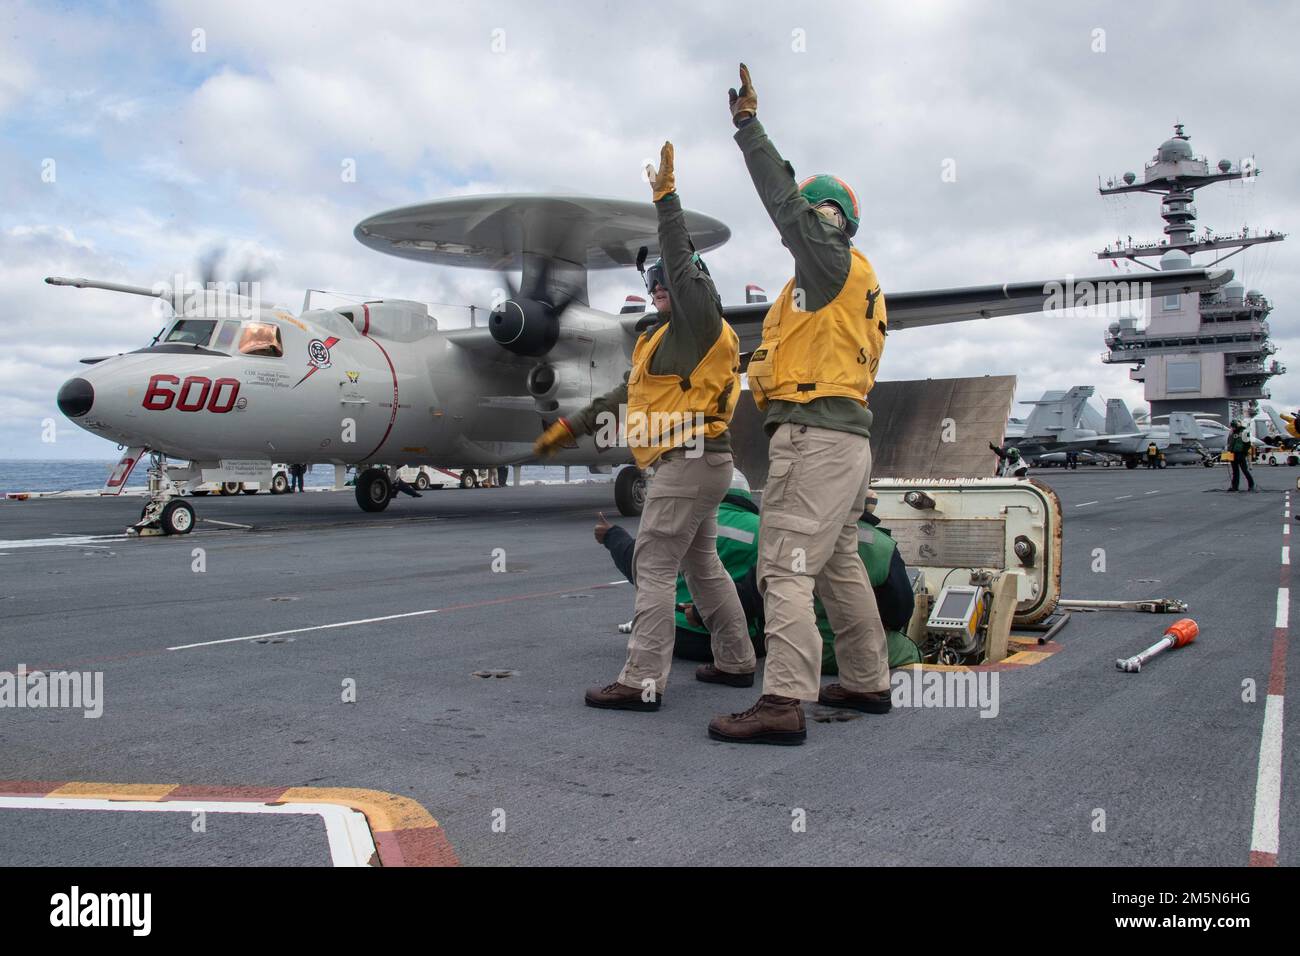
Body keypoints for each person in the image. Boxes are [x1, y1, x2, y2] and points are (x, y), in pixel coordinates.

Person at [534, 141, 754, 711]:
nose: (660, 285)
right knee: (702, 565)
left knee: (653, 565)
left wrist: (667, 200)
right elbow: (620, 393)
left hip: (685, 461)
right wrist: (570, 427)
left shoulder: (701, 324)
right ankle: (736, 660)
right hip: (699, 464)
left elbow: (683, 268)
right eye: (654, 282)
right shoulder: (660, 339)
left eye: (668, 280)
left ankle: (642, 681)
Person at [707, 64, 891, 746]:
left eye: (817, 214)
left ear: (830, 220)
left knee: (783, 564)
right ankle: (868, 678)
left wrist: (749, 128)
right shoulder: (829, 291)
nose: (809, 222)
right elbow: (785, 359)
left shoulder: (830, 261)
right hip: (846, 443)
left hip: (814, 442)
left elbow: (785, 206)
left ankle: (783, 700)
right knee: (838, 562)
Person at [597, 489, 920, 671]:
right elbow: (899, 612)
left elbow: (754, 594)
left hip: (796, 651)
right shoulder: (881, 545)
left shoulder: (791, 537)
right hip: (851, 654)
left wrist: (613, 537)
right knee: (907, 648)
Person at [1226, 421, 1256, 492]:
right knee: (1235, 471)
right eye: (1231, 427)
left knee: (1244, 470)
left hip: (1241, 453)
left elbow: (1247, 444)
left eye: (1233, 427)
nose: (1232, 428)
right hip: (1233, 453)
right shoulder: (1232, 433)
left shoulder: (1244, 432)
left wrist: (1244, 453)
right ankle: (1234, 487)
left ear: (1236, 426)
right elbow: (1229, 443)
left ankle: (1251, 485)